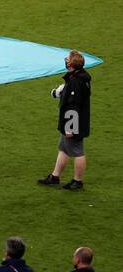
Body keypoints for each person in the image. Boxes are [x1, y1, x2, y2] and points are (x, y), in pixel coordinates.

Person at [38, 50, 90, 190]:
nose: (65, 60)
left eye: (67, 59)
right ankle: (55, 177)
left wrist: (69, 127)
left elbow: (73, 105)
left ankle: (77, 181)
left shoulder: (75, 81)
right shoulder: (78, 78)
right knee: (64, 149)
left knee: (77, 151)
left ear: (71, 63)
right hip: (73, 120)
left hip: (73, 122)